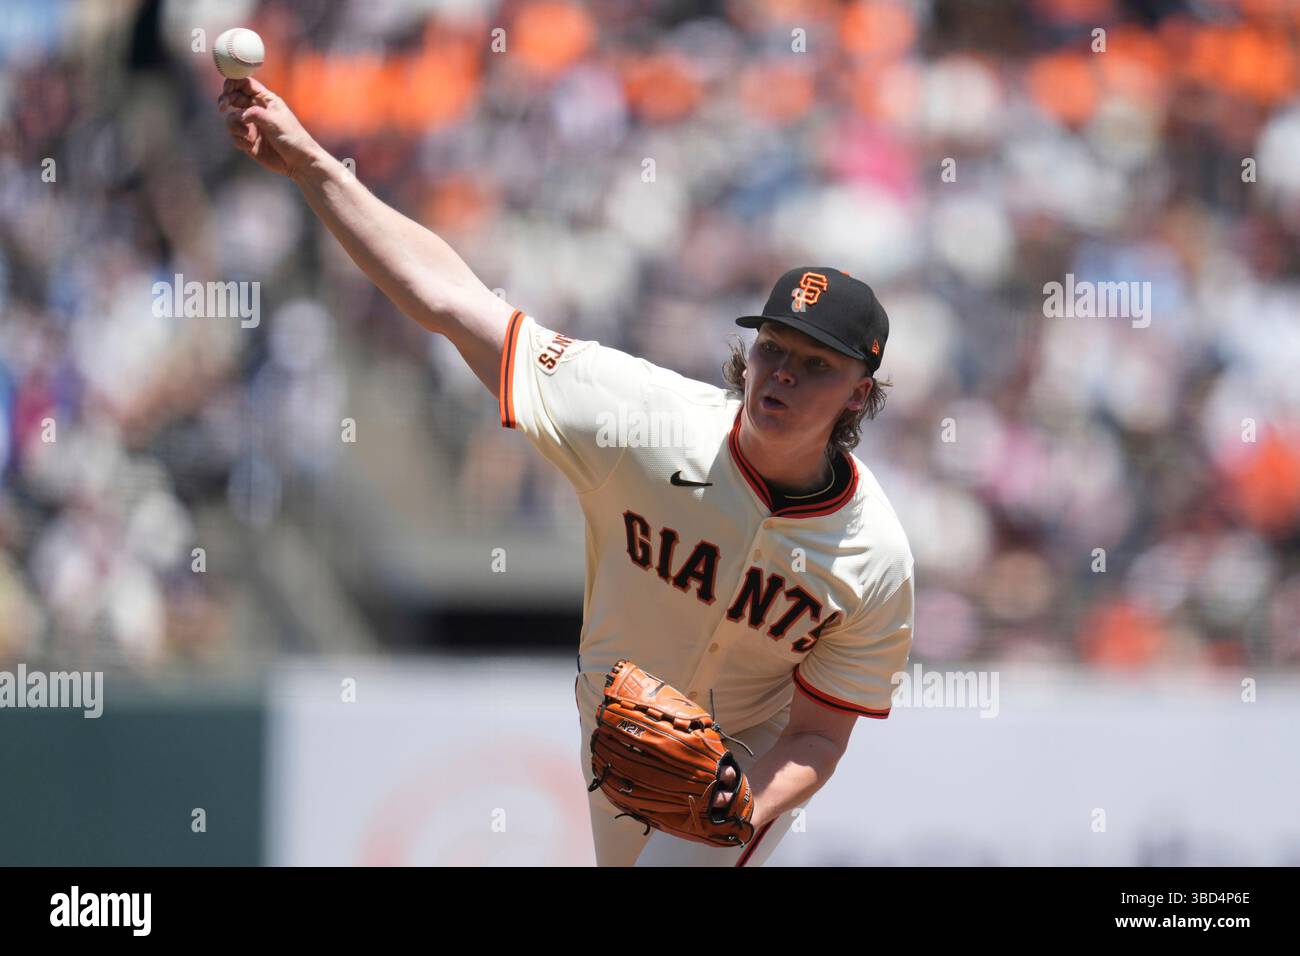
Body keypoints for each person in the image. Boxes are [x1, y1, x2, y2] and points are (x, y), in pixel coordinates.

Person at [218, 77, 915, 867]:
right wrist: (314, 164)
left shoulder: (873, 554)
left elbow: (819, 735)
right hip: (614, 723)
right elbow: (453, 300)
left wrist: (745, 799)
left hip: (743, 754)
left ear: (860, 391)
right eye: (772, 349)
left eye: (812, 364)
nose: (780, 375)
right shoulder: (642, 421)